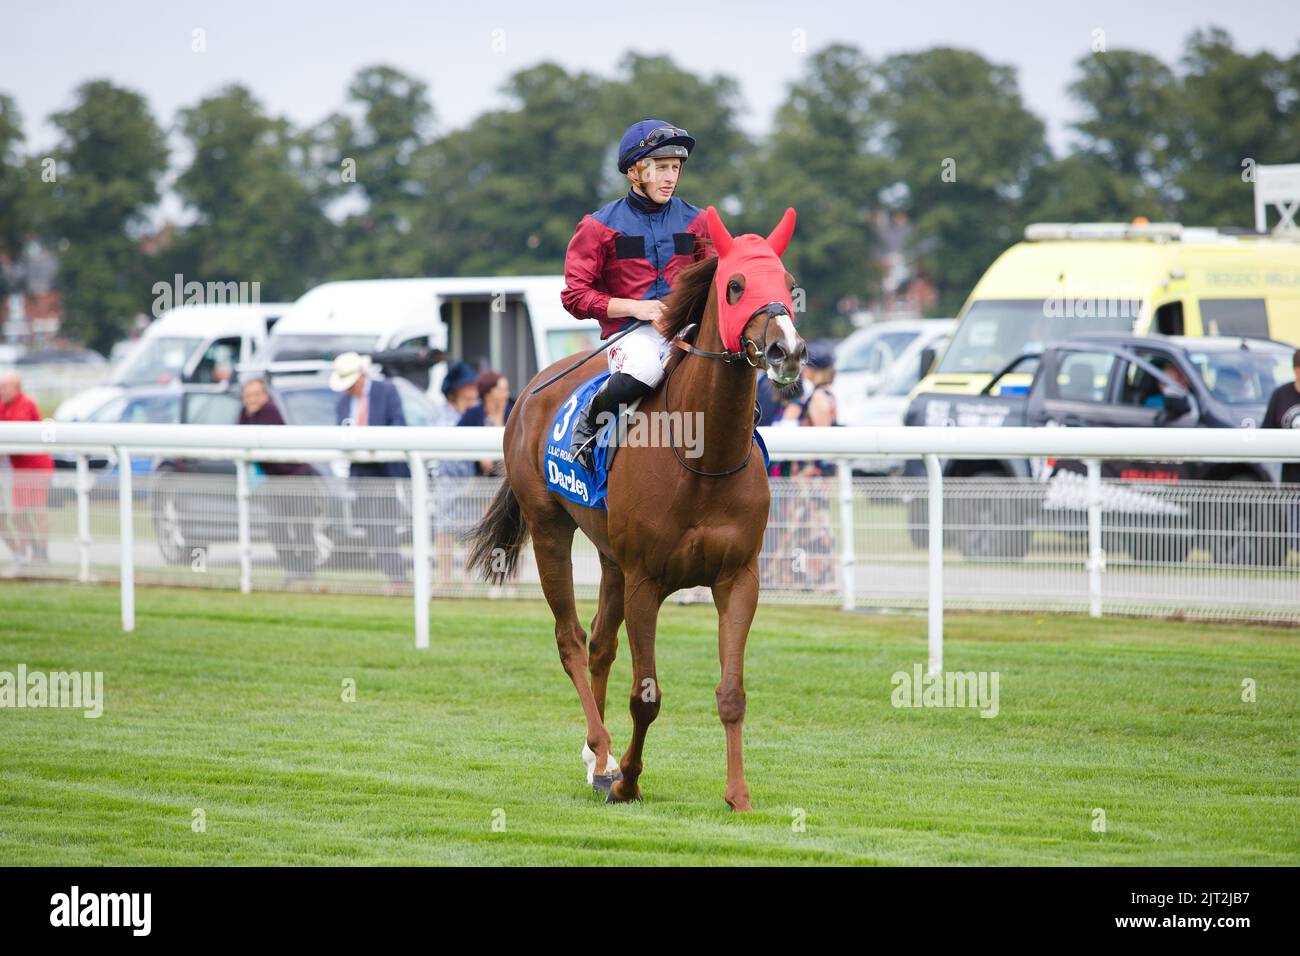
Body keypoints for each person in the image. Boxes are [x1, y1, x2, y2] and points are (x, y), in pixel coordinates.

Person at [561, 119, 717, 470]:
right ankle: (588, 424)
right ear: (635, 171)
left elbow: (715, 285)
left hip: (686, 331)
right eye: (661, 168)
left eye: (675, 168)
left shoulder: (699, 220)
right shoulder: (598, 226)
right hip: (630, 335)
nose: (670, 177)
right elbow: (575, 297)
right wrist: (637, 308)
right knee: (646, 369)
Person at [330, 352, 410, 592]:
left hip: (386, 471)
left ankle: (398, 577)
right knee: (371, 527)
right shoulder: (343, 403)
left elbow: (398, 424)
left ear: (360, 376)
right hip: (360, 474)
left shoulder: (386, 391)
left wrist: (374, 442)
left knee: (384, 526)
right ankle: (393, 576)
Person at [238, 378, 316, 580]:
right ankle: (292, 569)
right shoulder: (245, 415)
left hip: (297, 478)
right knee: (275, 527)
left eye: (256, 395)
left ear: (265, 396)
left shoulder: (270, 412)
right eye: (248, 396)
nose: (252, 400)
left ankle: (306, 572)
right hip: (275, 481)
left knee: (302, 528)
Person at [0, 371, 54, 569]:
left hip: (37, 467)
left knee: (38, 512)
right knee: (19, 514)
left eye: (4, 387)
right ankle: (31, 551)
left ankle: (42, 554)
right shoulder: (3, 406)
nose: (1, 391)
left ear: (16, 388)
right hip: (19, 470)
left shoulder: (26, 404)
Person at [458, 370, 514, 476]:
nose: (506, 394)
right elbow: (458, 437)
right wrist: (479, 455)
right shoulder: (473, 414)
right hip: (482, 478)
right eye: (502, 390)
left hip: (510, 477)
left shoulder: (513, 412)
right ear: (488, 393)